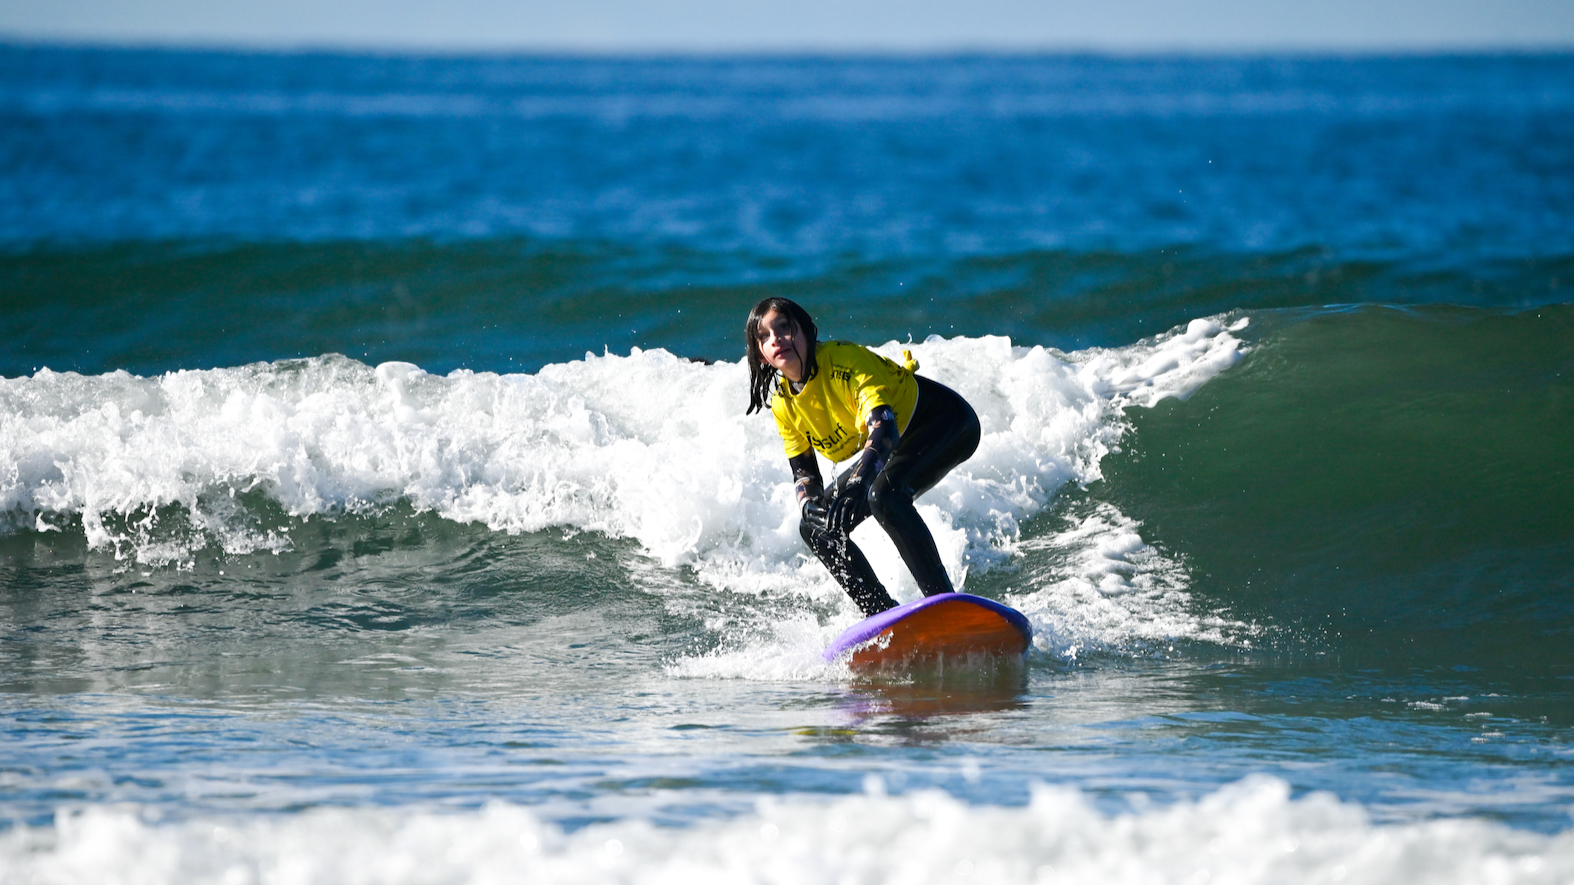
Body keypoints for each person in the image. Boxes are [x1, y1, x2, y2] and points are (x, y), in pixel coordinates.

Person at [745, 297, 981, 618]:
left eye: (784, 327)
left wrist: (859, 482)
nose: (776, 339)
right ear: (761, 354)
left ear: (807, 331)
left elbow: (883, 428)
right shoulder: (785, 405)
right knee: (815, 527)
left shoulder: (844, 362)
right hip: (893, 449)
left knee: (884, 495)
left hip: (946, 423)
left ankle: (946, 608)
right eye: (764, 336)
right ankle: (883, 617)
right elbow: (805, 476)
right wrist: (809, 504)